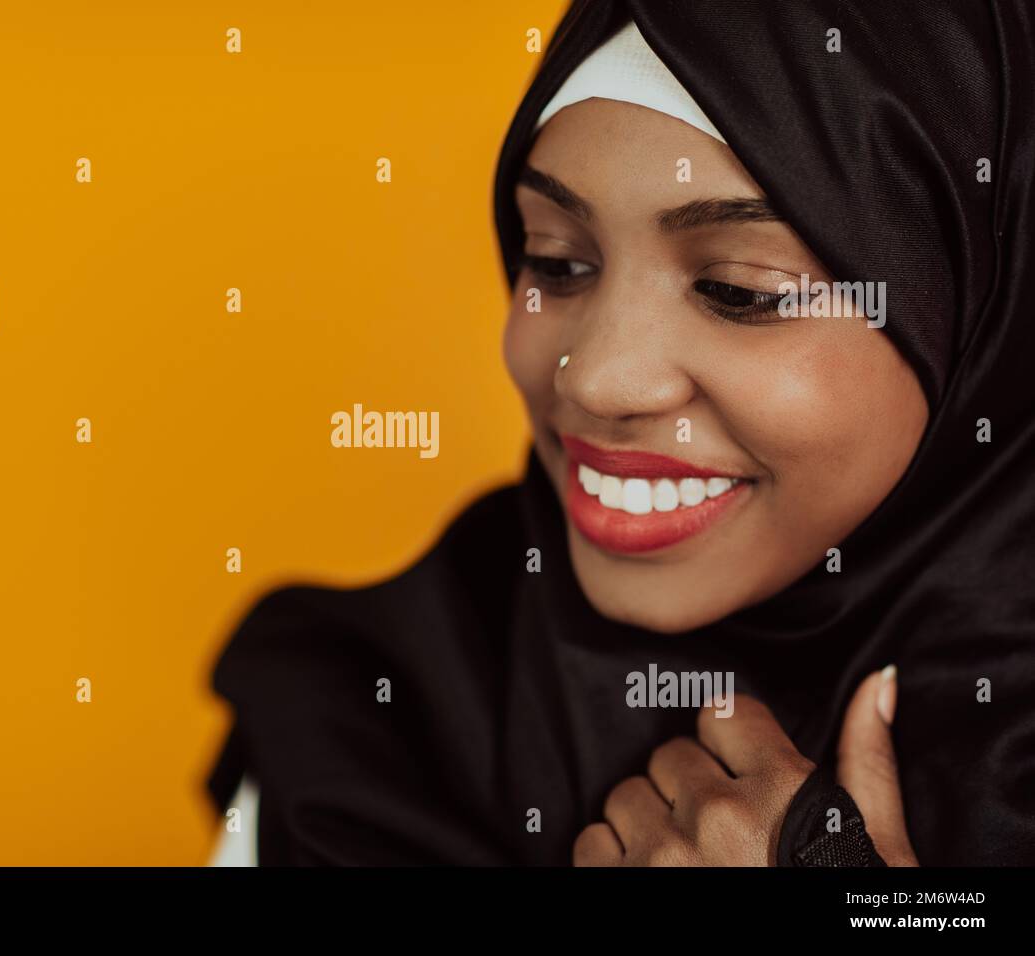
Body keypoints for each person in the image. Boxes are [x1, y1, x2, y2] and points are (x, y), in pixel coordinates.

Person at [205, 0, 1035, 865]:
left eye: (741, 289)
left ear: (983, 320)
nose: (598, 380)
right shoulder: (377, 723)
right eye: (558, 262)